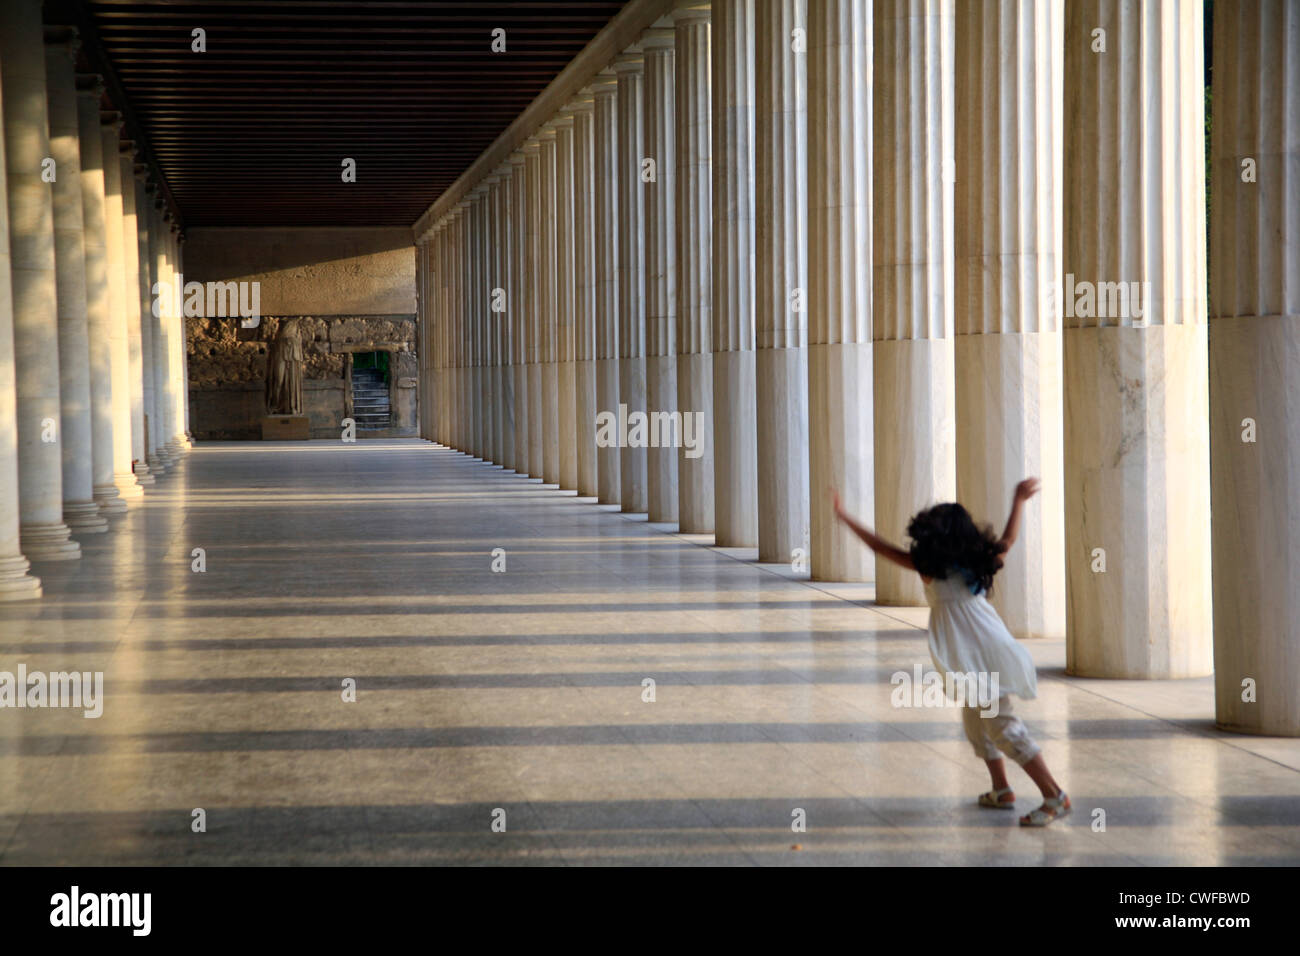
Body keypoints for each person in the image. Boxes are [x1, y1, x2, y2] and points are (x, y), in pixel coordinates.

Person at [830, 479, 1070, 827]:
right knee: (976, 724)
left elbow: (881, 548)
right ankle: (1002, 789)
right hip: (980, 651)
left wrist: (845, 517)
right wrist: (1018, 499)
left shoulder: (928, 569)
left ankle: (1055, 795)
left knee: (1002, 727)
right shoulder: (977, 561)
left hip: (983, 656)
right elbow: (1009, 539)